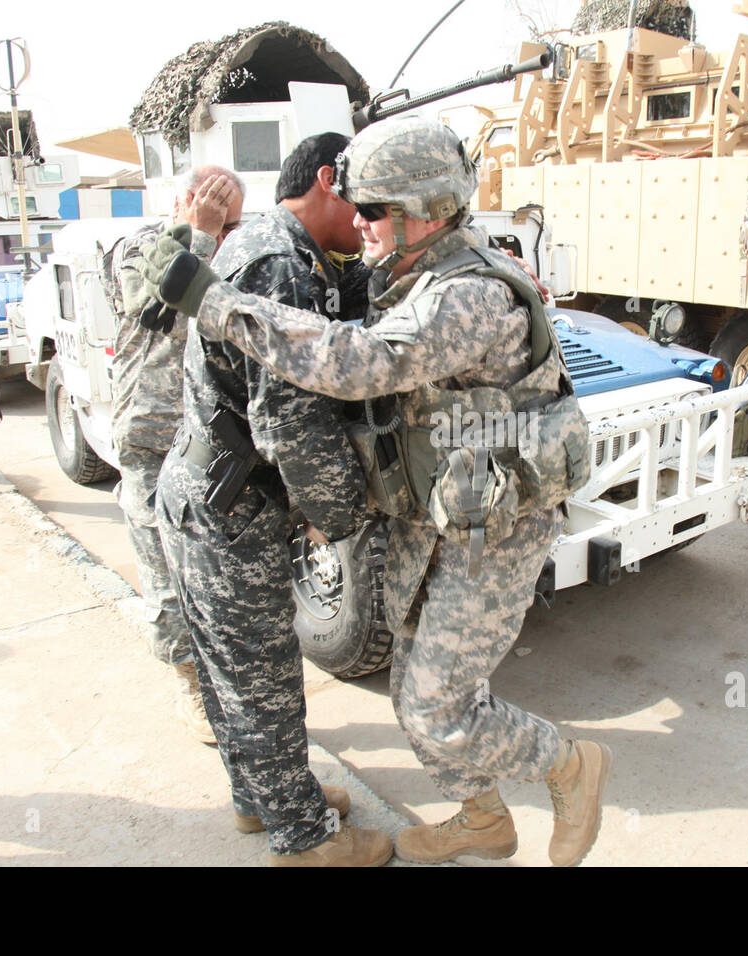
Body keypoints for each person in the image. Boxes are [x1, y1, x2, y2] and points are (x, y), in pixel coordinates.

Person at [141, 116, 612, 867]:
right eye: (356, 208)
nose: (358, 225)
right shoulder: (413, 270)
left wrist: (223, 304)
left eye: (373, 210)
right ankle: (482, 817)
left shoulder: (467, 296)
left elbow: (356, 362)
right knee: (408, 689)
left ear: (422, 211)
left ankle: (568, 768)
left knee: (437, 703)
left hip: (494, 529)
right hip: (443, 510)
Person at [153, 133, 388, 866]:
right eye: (367, 200)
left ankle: (265, 800)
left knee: (236, 672)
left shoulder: (288, 251)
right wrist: (344, 518)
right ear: (327, 180)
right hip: (229, 508)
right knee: (262, 678)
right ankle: (306, 839)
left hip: (213, 495)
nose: (370, 216)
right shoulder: (276, 262)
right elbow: (291, 421)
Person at [109, 165, 243, 744]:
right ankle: (190, 684)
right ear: (189, 201)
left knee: (217, 574)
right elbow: (159, 304)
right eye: (221, 214)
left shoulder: (231, 250)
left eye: (235, 220)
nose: (229, 229)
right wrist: (202, 232)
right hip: (150, 435)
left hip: (206, 440)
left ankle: (226, 681)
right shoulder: (142, 247)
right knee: (165, 578)